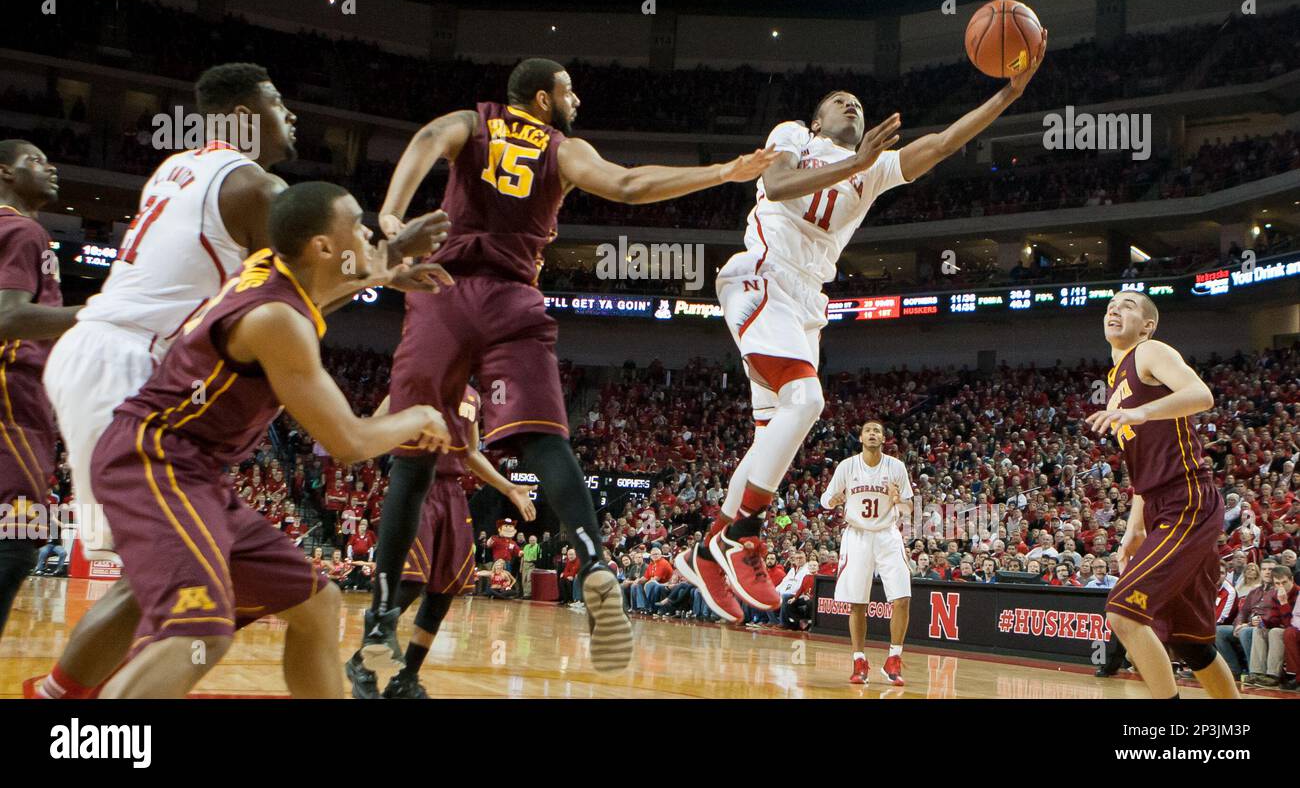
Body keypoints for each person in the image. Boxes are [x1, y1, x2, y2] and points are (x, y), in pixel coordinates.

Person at [27, 64, 448, 700]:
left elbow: (312, 273)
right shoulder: (257, 191)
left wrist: (382, 269)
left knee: (303, 599)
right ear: (245, 115)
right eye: (278, 102)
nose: (293, 115)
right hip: (137, 389)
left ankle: (65, 697)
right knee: (191, 620)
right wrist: (387, 261)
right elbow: (314, 263)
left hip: (126, 374)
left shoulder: (184, 170)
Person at [364, 57, 777, 674]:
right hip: (514, 300)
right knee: (547, 444)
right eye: (568, 91)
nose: (577, 100)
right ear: (541, 97)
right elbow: (631, 185)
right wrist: (724, 171)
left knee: (415, 457)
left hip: (444, 290)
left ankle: (376, 620)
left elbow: (426, 139)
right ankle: (596, 564)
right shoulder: (564, 149)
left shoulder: (472, 123)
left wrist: (391, 217)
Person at [677, 36, 1048, 623]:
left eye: (859, 104)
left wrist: (1008, 93)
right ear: (817, 117)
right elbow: (776, 187)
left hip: (806, 304)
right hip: (764, 275)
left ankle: (707, 546)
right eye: (840, 101)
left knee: (770, 438)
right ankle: (739, 538)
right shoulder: (793, 136)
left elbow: (945, 142)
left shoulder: (873, 169)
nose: (852, 107)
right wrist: (853, 161)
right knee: (807, 400)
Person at [91, 182, 451, 697]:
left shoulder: (270, 265)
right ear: (324, 246)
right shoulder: (277, 321)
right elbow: (348, 441)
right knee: (198, 635)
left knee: (317, 604)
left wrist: (389, 266)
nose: (368, 231)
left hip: (196, 470)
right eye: (357, 223)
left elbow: (323, 286)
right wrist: (417, 415)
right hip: (154, 459)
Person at [1085, 291, 1237, 699]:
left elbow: (1201, 395)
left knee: (1122, 613)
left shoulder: (1149, 351)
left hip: (1188, 498)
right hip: (1159, 505)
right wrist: (1133, 528)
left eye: (1128, 306)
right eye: (1110, 306)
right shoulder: (1115, 380)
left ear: (1147, 325)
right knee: (1190, 642)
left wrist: (1142, 411)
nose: (1115, 310)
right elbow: (1143, 469)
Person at [347, 384, 535, 699]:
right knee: (410, 582)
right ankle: (364, 662)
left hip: (452, 493)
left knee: (444, 590)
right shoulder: (413, 381)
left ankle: (406, 678)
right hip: (415, 483)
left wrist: (509, 488)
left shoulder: (473, 397)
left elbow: (471, 452)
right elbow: (371, 430)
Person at [0, 139, 78, 640]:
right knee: (16, 536)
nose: (50, 166)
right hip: (11, 400)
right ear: (4, 172)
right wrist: (102, 312)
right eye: (35, 160)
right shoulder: (22, 229)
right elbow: (7, 318)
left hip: (23, 402)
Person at [821, 420, 913, 685]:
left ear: (883, 438)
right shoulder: (847, 466)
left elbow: (908, 509)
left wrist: (899, 501)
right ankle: (859, 660)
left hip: (887, 534)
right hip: (857, 535)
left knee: (902, 597)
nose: (872, 434)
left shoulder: (896, 467)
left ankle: (894, 659)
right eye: (868, 430)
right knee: (858, 603)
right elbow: (825, 500)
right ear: (861, 437)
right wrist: (834, 500)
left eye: (877, 431)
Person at [1243, 564, 1296, 687]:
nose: (1281, 586)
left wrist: (1283, 603)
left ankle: (1273, 675)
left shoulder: (1298, 593)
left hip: (1293, 630)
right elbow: (1273, 618)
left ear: (1292, 579)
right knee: (1259, 630)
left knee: (1275, 632)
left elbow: (1291, 624)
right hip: (1282, 628)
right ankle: (1257, 673)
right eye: (1277, 583)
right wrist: (1261, 621)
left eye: (1284, 582)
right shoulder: (1273, 594)